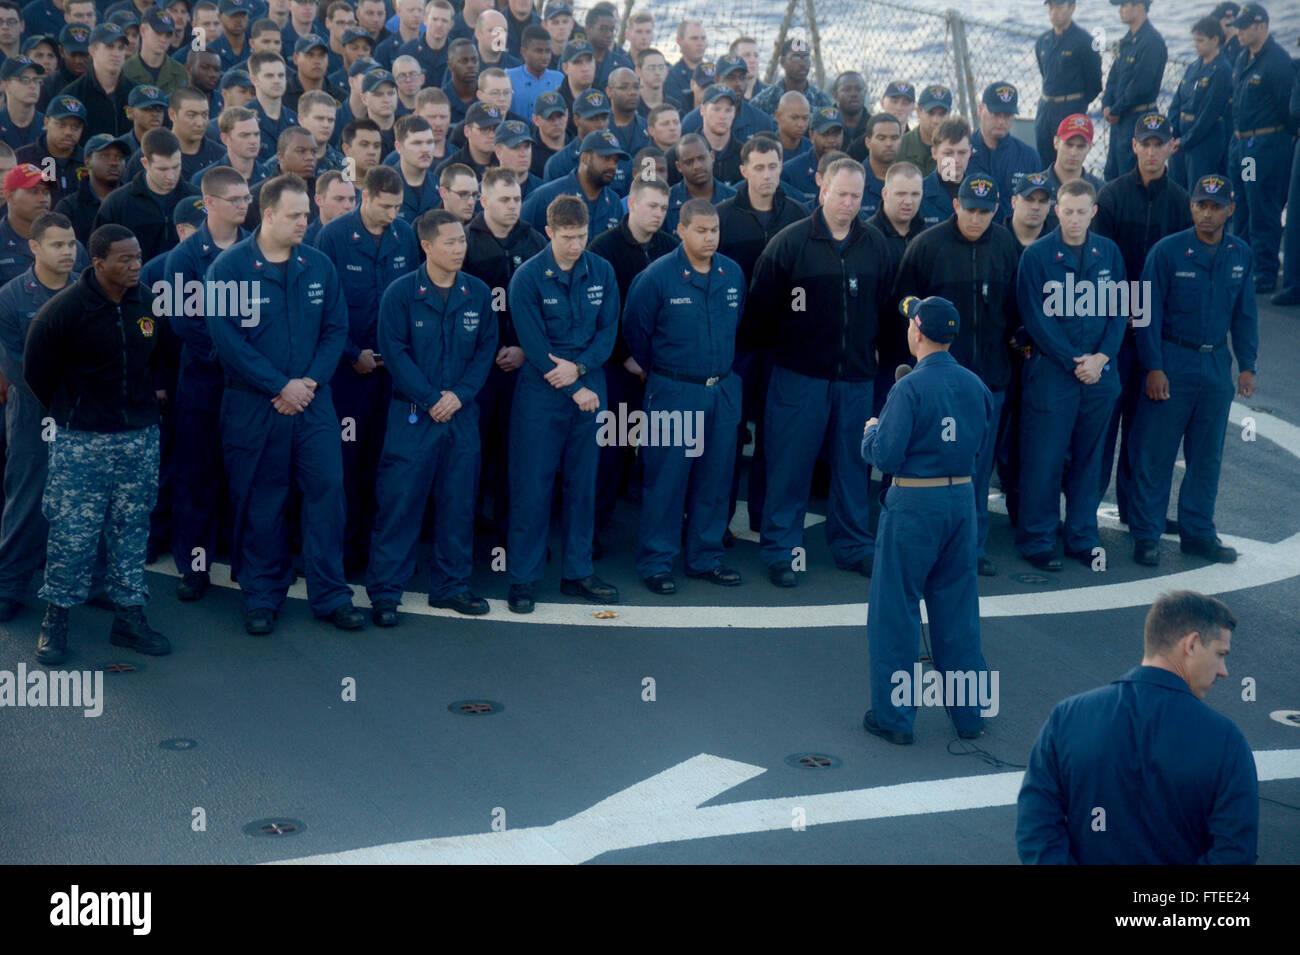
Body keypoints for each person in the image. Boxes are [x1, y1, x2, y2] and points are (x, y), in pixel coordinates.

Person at [206, 173, 365, 635]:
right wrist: (280, 385)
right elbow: (227, 340)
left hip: (313, 403)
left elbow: (336, 329)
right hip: (254, 406)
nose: (305, 222)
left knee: (328, 494)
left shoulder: (317, 265)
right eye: (296, 215)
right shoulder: (228, 269)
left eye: (307, 215)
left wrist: (309, 382)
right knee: (261, 500)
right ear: (269, 214)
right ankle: (261, 594)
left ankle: (331, 594)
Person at [1017, 590, 1257, 864]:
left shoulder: (1067, 717)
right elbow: (1236, 851)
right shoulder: (1227, 741)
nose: (1223, 670)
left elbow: (1036, 823)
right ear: (1191, 645)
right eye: (1220, 654)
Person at [742, 157, 894, 586]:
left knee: (853, 467)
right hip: (799, 378)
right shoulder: (789, 245)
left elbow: (883, 308)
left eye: (856, 196)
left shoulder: (875, 245)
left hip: (856, 379)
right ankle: (781, 550)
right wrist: (791, 354)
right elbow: (760, 315)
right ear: (822, 189)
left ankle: (853, 546)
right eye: (840, 193)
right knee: (790, 466)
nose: (848, 203)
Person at [23, 223, 170, 664]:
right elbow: (37, 373)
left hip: (139, 439)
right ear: (98, 262)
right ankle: (56, 621)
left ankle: (129, 617)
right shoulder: (64, 311)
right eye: (124, 259)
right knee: (72, 535)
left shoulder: (146, 303)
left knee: (131, 530)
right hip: (82, 443)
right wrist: (74, 411)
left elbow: (160, 358)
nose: (135, 265)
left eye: (138, 256)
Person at [860, 295, 995, 745]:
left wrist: (871, 431)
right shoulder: (976, 384)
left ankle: (895, 719)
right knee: (958, 611)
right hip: (961, 502)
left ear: (917, 330)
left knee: (896, 611)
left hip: (915, 505)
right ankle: (970, 715)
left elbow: (886, 455)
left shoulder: (908, 388)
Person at [367, 208, 497, 624]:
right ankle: (386, 591)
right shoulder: (401, 294)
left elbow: (484, 351)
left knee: (458, 505)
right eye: (450, 242)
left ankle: (451, 586)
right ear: (426, 246)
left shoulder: (477, 293)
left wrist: (458, 396)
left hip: (461, 416)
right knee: (400, 503)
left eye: (462, 241)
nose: (460, 248)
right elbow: (394, 351)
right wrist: (429, 398)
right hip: (412, 416)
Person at [893, 173, 1019, 576]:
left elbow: (1016, 310)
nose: (976, 218)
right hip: (938, 383)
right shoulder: (927, 245)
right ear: (955, 205)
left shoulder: (1006, 246)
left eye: (985, 211)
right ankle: (924, 546)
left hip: (990, 380)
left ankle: (972, 546)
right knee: (929, 467)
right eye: (970, 209)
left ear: (996, 210)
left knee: (977, 472)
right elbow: (903, 302)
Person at [1128, 175, 1258, 567]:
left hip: (1217, 364)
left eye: (1216, 206)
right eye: (1201, 205)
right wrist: (1153, 366)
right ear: (1191, 208)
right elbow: (1144, 312)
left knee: (1207, 456)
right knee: (1157, 453)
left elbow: (1245, 313)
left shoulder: (1240, 253)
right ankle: (1147, 534)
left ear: (1230, 210)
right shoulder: (1166, 253)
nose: (1207, 213)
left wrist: (1248, 365)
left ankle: (1198, 532)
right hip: (1172, 359)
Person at [620, 197, 742, 593]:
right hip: (674, 390)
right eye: (702, 231)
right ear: (682, 230)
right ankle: (657, 561)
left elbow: (737, 325)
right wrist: (664, 372)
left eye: (715, 230)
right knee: (666, 480)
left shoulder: (732, 273)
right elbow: (636, 332)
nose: (710, 238)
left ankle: (705, 557)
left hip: (721, 389)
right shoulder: (656, 277)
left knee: (715, 479)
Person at [504, 194, 619, 613]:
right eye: (567, 237)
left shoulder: (602, 271)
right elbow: (534, 345)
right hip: (543, 393)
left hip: (590, 385)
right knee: (532, 487)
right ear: (550, 232)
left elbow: (608, 332)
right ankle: (523, 577)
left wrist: (582, 369)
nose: (576, 245)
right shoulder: (529, 278)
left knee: (582, 484)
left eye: (582, 236)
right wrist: (574, 385)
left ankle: (578, 571)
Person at [312, 164, 418, 575]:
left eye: (398, 207)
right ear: (366, 197)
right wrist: (352, 353)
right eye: (386, 206)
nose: (393, 215)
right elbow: (323, 309)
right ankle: (340, 550)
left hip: (392, 374)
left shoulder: (404, 236)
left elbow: (409, 301)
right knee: (344, 465)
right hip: (346, 375)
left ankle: (375, 548)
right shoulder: (334, 236)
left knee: (385, 463)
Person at [1015, 179, 1125, 571]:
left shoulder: (1109, 253)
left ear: (1093, 212)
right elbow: (1035, 317)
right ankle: (1037, 539)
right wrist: (1075, 361)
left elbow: (1118, 312)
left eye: (1082, 211)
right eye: (1067, 210)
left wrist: (1101, 359)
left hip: (1099, 375)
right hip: (1054, 374)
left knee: (1090, 460)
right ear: (1055, 211)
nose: (1074, 219)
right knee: (1043, 460)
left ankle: (1082, 536)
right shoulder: (1038, 256)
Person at [1093, 113, 1190, 528]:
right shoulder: (1112, 197)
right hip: (1115, 330)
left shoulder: (1182, 203)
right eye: (1145, 143)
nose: (1152, 151)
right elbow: (1099, 267)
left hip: (1158, 334)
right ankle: (1084, 513)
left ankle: (1139, 512)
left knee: (1146, 429)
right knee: (1101, 428)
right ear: (1133, 146)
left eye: (1159, 143)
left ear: (1172, 146)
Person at [162, 164, 248, 601]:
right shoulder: (185, 257)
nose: (244, 206)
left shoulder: (256, 249)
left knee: (246, 477)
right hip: (203, 386)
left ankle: (243, 561)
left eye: (247, 199)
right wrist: (231, 354)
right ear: (209, 203)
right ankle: (194, 567)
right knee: (196, 479)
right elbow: (184, 322)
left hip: (250, 388)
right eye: (235, 200)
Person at [717, 135, 806, 540]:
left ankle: (763, 517)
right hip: (735, 348)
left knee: (776, 434)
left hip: (783, 347)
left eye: (773, 166)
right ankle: (716, 523)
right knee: (729, 437)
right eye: (759, 167)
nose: (767, 175)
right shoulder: (723, 217)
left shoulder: (800, 215)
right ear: (743, 171)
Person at [587, 174, 675, 552]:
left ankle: (660, 533)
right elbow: (600, 314)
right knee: (612, 450)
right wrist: (626, 357)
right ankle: (593, 530)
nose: (658, 214)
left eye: (664, 208)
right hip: (617, 370)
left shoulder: (673, 247)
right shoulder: (603, 249)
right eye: (652, 206)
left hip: (663, 370)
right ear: (632, 205)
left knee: (664, 448)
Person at [0, 212, 79, 622]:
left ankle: (92, 581)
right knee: (27, 499)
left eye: (71, 244)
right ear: (34, 247)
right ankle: (10, 584)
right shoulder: (11, 297)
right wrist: (60, 396)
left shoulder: (89, 288)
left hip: (83, 414)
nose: (68, 252)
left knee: (87, 500)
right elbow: (15, 365)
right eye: (57, 245)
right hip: (33, 413)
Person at [462, 167, 546, 547]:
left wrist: (527, 349)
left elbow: (549, 307)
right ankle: (469, 529)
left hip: (524, 366)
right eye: (504, 200)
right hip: (476, 369)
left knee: (519, 452)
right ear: (484, 201)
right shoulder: (464, 243)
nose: (513, 206)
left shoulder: (535, 242)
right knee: (473, 452)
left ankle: (512, 532)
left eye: (517, 199)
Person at [1226, 2, 1291, 294]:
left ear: (1261, 26)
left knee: (1260, 205)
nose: (1238, 32)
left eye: (1244, 27)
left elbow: (1287, 110)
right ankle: (1243, 265)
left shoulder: (1277, 61)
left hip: (1261, 146)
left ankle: (1264, 272)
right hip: (1241, 144)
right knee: (1239, 205)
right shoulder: (1242, 58)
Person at [94, 127, 201, 261]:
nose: (171, 176)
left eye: (176, 167)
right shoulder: (117, 204)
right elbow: (98, 254)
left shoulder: (196, 199)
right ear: (145, 163)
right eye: (162, 169)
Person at [1101, 0, 1166, 182]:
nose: (1120, 10)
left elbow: (1140, 86)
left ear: (1139, 6)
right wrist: (1106, 104)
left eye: (1124, 5)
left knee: (1131, 176)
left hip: (1138, 119)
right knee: (1112, 175)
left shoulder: (1152, 42)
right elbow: (1113, 76)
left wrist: (1115, 109)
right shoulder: (1128, 40)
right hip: (1120, 121)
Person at [1033, 0, 1102, 169]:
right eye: (1050, 7)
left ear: (1072, 8)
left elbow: (1094, 83)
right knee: (1044, 161)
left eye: (1059, 6)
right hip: (1045, 109)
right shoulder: (1043, 41)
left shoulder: (1085, 41)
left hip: (1070, 109)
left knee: (1068, 162)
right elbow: (1046, 74)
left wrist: (1075, 104)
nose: (1053, 11)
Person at [1167, 16, 1231, 191]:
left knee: (1199, 192)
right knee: (1176, 190)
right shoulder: (1193, 67)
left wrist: (1186, 140)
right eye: (1195, 40)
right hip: (1181, 140)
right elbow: (1177, 102)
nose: (1196, 45)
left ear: (1215, 40)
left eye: (1201, 41)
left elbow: (1209, 114)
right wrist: (1172, 133)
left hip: (1204, 142)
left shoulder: (1221, 70)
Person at [967, 82, 1040, 225]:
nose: (1001, 121)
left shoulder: (1029, 157)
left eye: (1007, 115)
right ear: (981, 110)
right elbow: (944, 188)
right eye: (995, 114)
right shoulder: (956, 152)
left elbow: (1039, 202)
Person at [60, 22, 136, 139]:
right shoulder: (72, 95)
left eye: (121, 48)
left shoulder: (135, 92)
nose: (116, 54)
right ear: (92, 51)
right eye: (110, 46)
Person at [750, 37, 832, 117]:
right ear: (782, 62)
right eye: (796, 57)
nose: (802, 63)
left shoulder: (822, 102)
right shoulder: (763, 102)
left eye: (806, 57)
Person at [894, 84, 949, 178]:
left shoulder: (954, 148)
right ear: (918, 112)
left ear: (949, 114)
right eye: (930, 113)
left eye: (942, 114)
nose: (936, 120)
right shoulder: (901, 146)